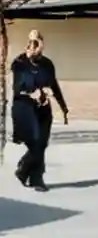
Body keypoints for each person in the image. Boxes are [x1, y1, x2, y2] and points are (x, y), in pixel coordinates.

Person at [11, 30, 68, 192]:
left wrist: (63, 107)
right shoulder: (20, 63)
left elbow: (54, 85)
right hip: (25, 109)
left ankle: (28, 173)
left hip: (43, 109)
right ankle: (32, 176)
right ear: (27, 42)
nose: (34, 46)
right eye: (32, 42)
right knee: (35, 144)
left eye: (38, 42)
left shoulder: (47, 64)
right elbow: (17, 89)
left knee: (42, 144)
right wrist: (32, 93)